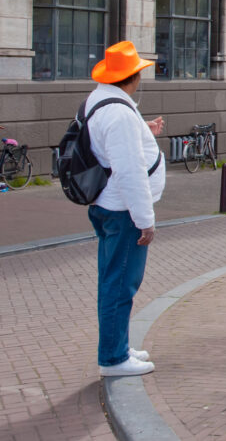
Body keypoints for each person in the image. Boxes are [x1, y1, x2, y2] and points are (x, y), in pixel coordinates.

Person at [85, 41, 166, 377]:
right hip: (123, 210)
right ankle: (114, 359)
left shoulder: (101, 100)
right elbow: (129, 171)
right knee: (120, 284)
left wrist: (142, 131)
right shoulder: (119, 112)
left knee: (115, 281)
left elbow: (110, 146)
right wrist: (145, 220)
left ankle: (118, 346)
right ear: (132, 76)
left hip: (109, 205)